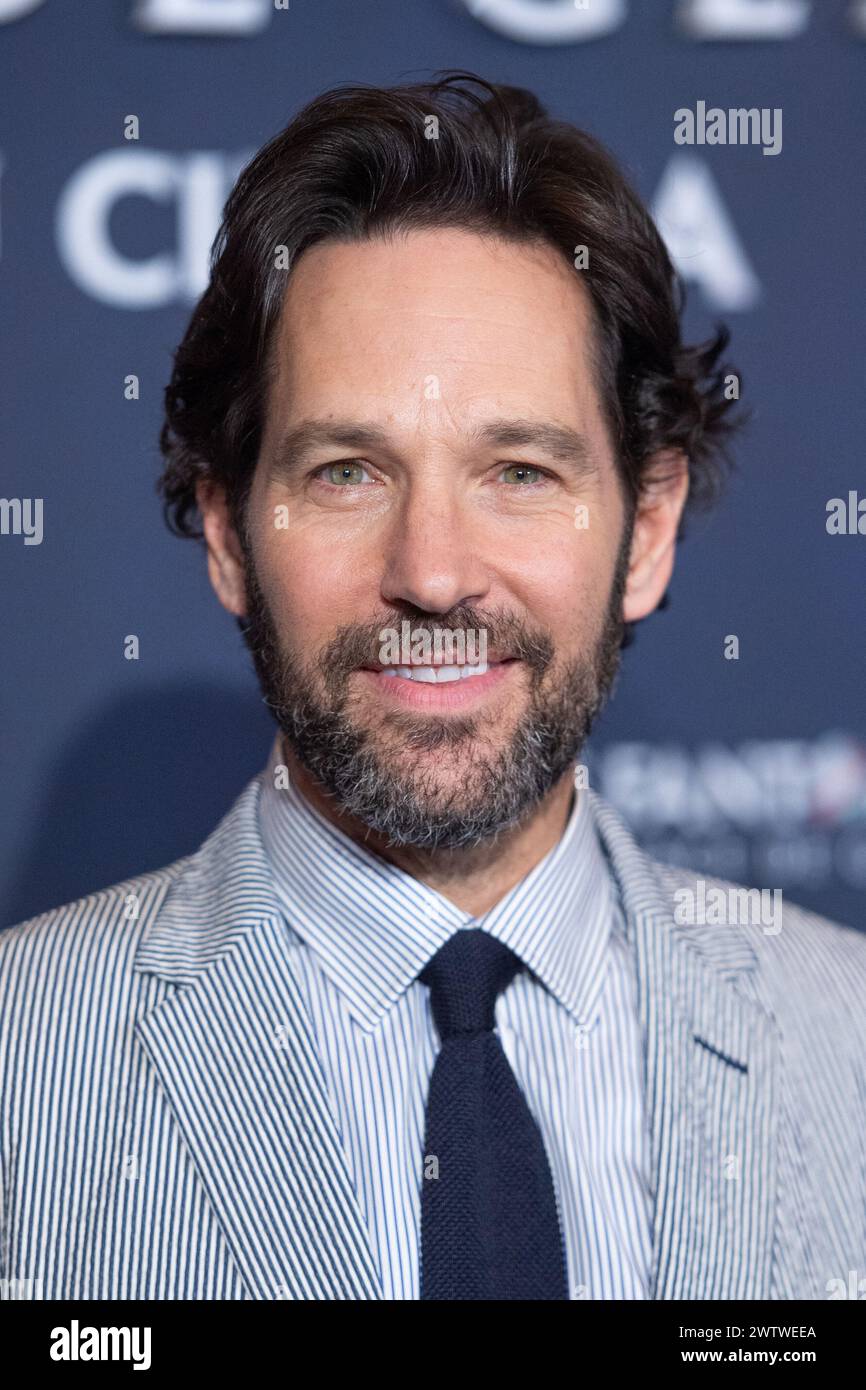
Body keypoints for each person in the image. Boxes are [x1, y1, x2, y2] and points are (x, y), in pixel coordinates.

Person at [2, 74, 864, 1302]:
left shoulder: (849, 1045)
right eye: (348, 471)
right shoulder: (17, 1069)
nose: (434, 574)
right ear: (229, 535)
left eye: (516, 470)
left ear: (650, 524)